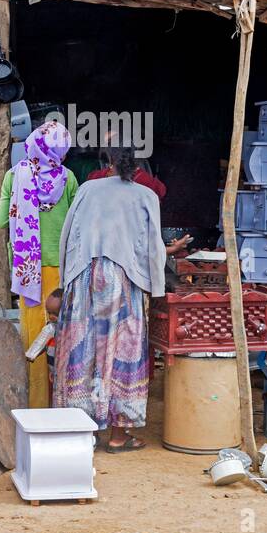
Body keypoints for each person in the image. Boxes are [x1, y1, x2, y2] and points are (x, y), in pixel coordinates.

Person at [56, 145, 166, 452]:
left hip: (83, 277)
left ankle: (81, 434)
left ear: (107, 163)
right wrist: (156, 288)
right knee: (122, 354)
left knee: (81, 352)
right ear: (138, 167)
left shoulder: (88, 189)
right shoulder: (146, 196)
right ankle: (118, 437)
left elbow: (68, 235)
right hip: (124, 282)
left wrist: (66, 279)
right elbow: (154, 246)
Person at [0, 121, 77, 408]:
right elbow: (76, 225)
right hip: (60, 269)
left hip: (27, 269)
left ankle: (36, 406)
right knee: (63, 337)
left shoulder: (14, 177)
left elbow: (0, 221)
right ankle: (65, 405)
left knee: (34, 340)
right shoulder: (68, 179)